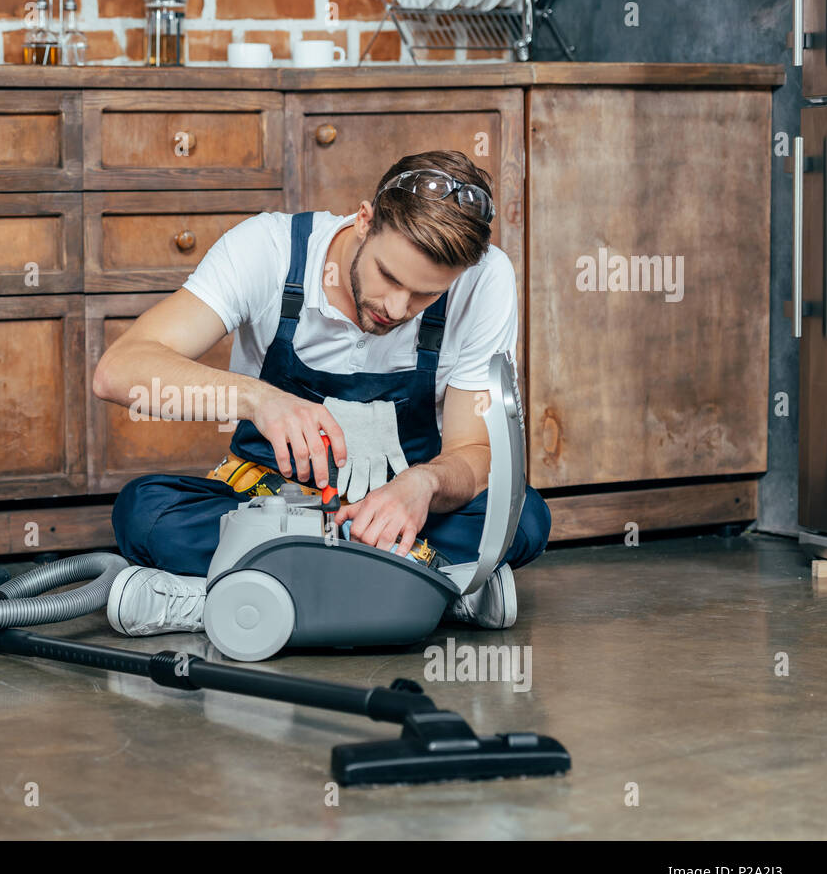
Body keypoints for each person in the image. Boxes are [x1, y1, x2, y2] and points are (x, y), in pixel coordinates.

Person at [92, 150, 551, 638]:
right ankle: (435, 586)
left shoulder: (485, 278)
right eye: (390, 277)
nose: (397, 308)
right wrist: (258, 399)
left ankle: (223, 600)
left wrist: (426, 485)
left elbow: (473, 452)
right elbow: (120, 369)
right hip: (269, 511)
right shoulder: (269, 249)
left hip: (401, 519)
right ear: (364, 220)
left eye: (426, 296)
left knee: (523, 517)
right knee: (145, 512)